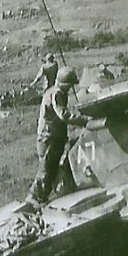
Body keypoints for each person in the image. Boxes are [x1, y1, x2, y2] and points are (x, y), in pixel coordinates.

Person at [29, 66, 87, 204]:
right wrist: (84, 120)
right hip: (49, 137)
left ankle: (43, 197)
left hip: (54, 135)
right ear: (65, 84)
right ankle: (34, 198)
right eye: (70, 85)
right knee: (46, 169)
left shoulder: (54, 91)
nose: (71, 88)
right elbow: (63, 115)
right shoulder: (57, 93)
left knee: (53, 168)